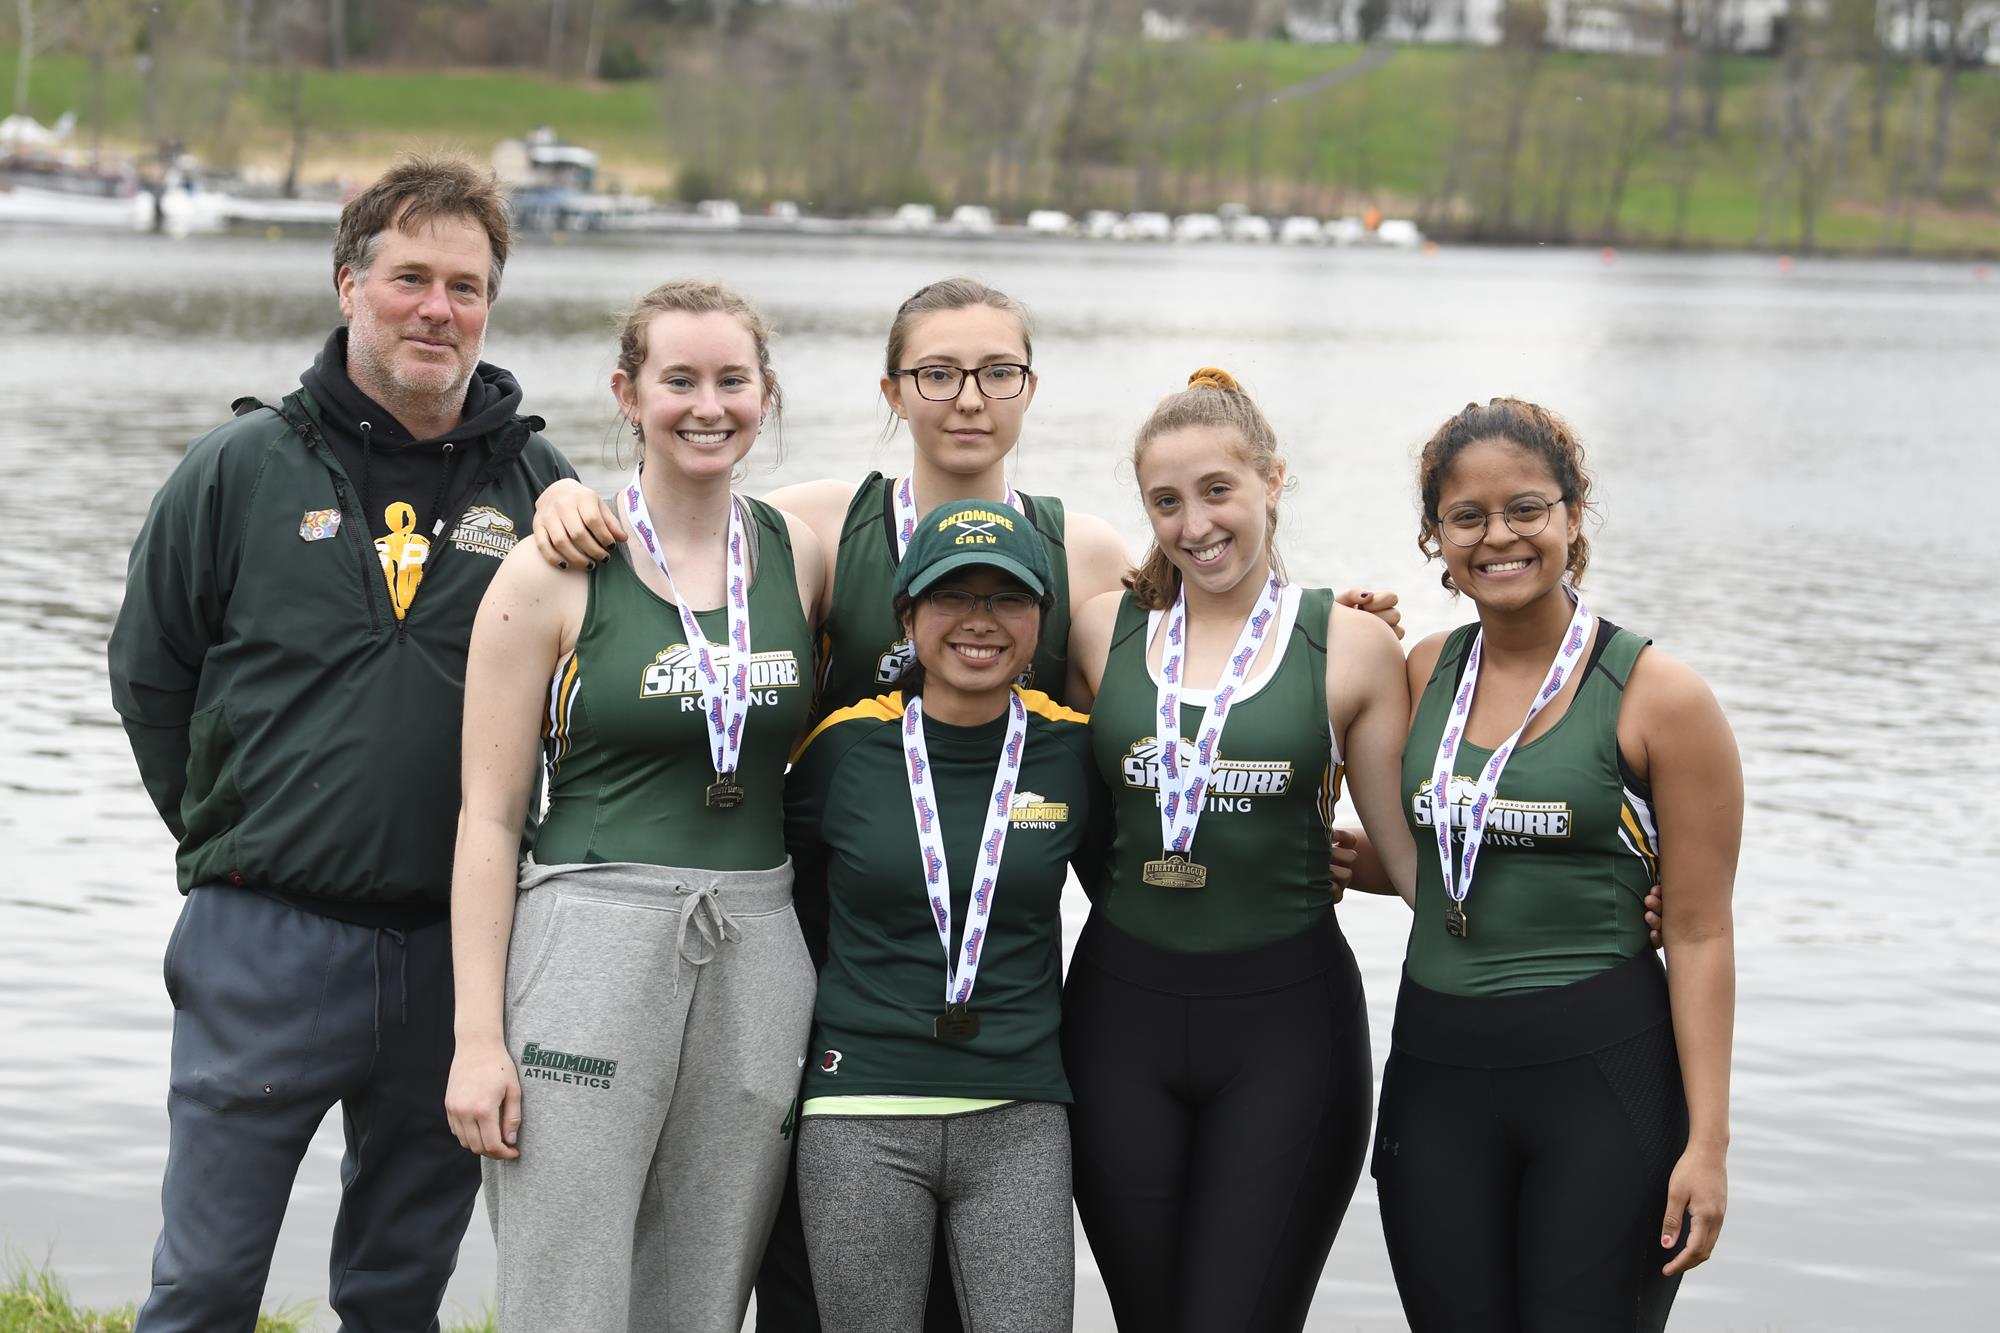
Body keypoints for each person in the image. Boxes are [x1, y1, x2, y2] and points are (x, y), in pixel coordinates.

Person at [106, 155, 576, 1331]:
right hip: (264, 938)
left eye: (466, 287)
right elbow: (149, 676)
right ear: (346, 284)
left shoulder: (539, 487)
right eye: (409, 278)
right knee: (206, 1281)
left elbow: (591, 701)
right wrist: (238, 830)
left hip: (457, 958)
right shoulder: (239, 468)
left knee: (395, 1288)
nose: (438, 310)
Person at [443, 279, 826, 1330]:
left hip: (756, 943)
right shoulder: (551, 568)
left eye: (732, 380)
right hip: (591, 938)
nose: (708, 406)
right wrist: (479, 1037)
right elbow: (487, 817)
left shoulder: (800, 549)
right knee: (565, 1282)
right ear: (627, 392)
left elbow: (972, 517)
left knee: (702, 1287)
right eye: (679, 380)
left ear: (765, 393)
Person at [1369, 398, 1739, 1331]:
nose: (1499, 537)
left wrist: (1708, 1144)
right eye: (1467, 517)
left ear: (1573, 516)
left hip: (1602, 1085)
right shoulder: (1421, 671)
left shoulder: (1658, 695)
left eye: (1526, 508)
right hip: (1434, 1078)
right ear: (1435, 537)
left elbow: (1698, 929)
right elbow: (1458, 843)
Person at [1059, 368, 1417, 1332]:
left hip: (1288, 1032)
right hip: (1115, 1022)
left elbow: (1422, 863)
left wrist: (1625, 896)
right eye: (1165, 502)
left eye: (1218, 491)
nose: (1195, 524)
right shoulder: (1102, 631)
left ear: (1273, 481)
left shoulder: (1349, 647)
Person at [784, 499, 1108, 1332]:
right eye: (951, 596)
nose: (979, 621)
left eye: (1005, 599)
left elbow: (1138, 881)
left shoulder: (1076, 749)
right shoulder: (843, 748)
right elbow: (770, 885)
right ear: (907, 615)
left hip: (1019, 1110)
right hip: (861, 1106)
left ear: (1043, 615)